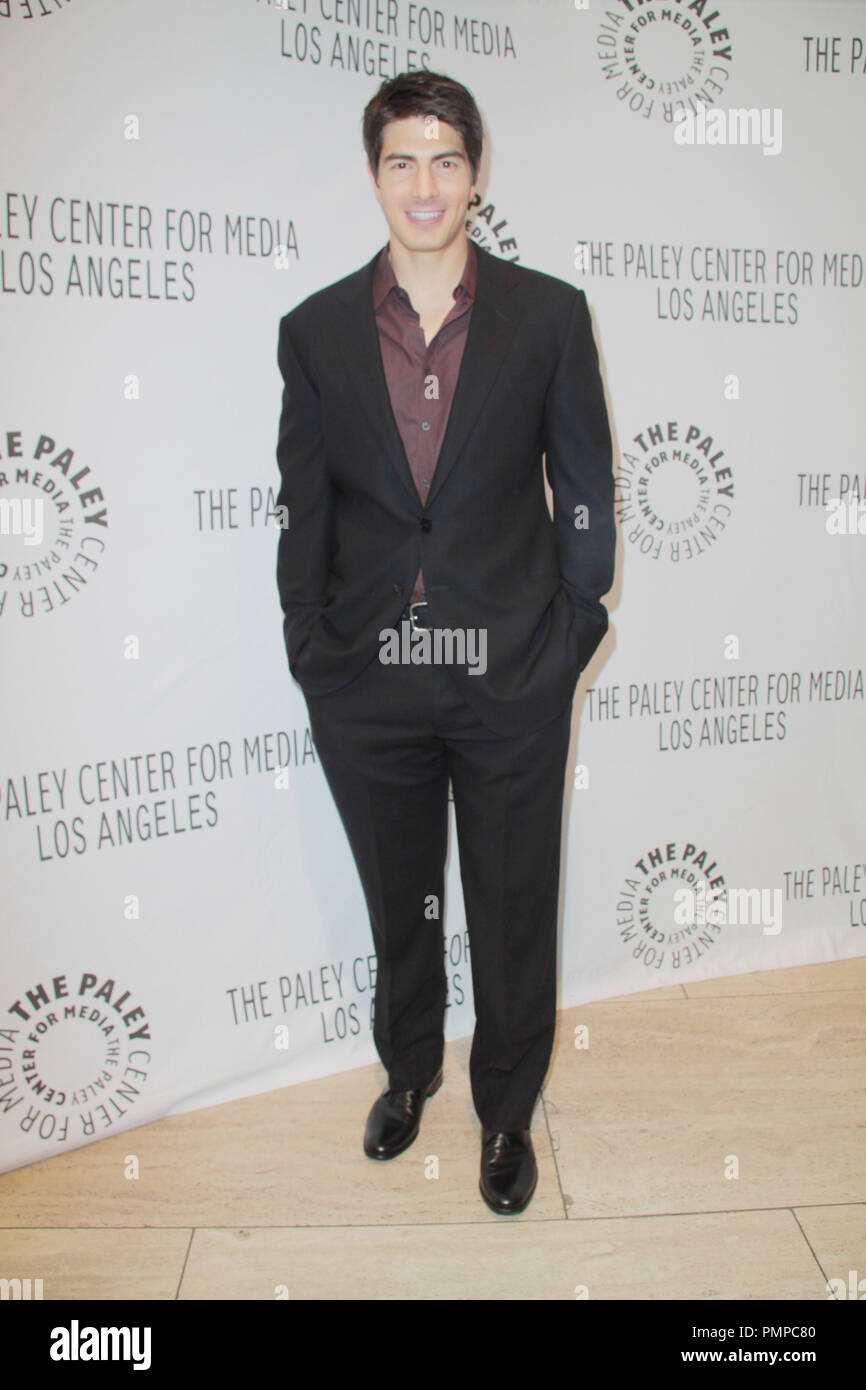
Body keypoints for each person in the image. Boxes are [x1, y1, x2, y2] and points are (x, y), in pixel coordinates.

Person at [275, 70, 615, 1214]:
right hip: (368, 679)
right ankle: (408, 1068)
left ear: (475, 173)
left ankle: (506, 1111)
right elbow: (305, 504)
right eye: (400, 161)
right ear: (372, 173)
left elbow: (584, 487)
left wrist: (569, 632)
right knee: (401, 898)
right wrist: (308, 643)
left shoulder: (549, 315)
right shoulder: (315, 330)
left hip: (508, 669)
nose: (423, 186)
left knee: (513, 908)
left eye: (445, 160)